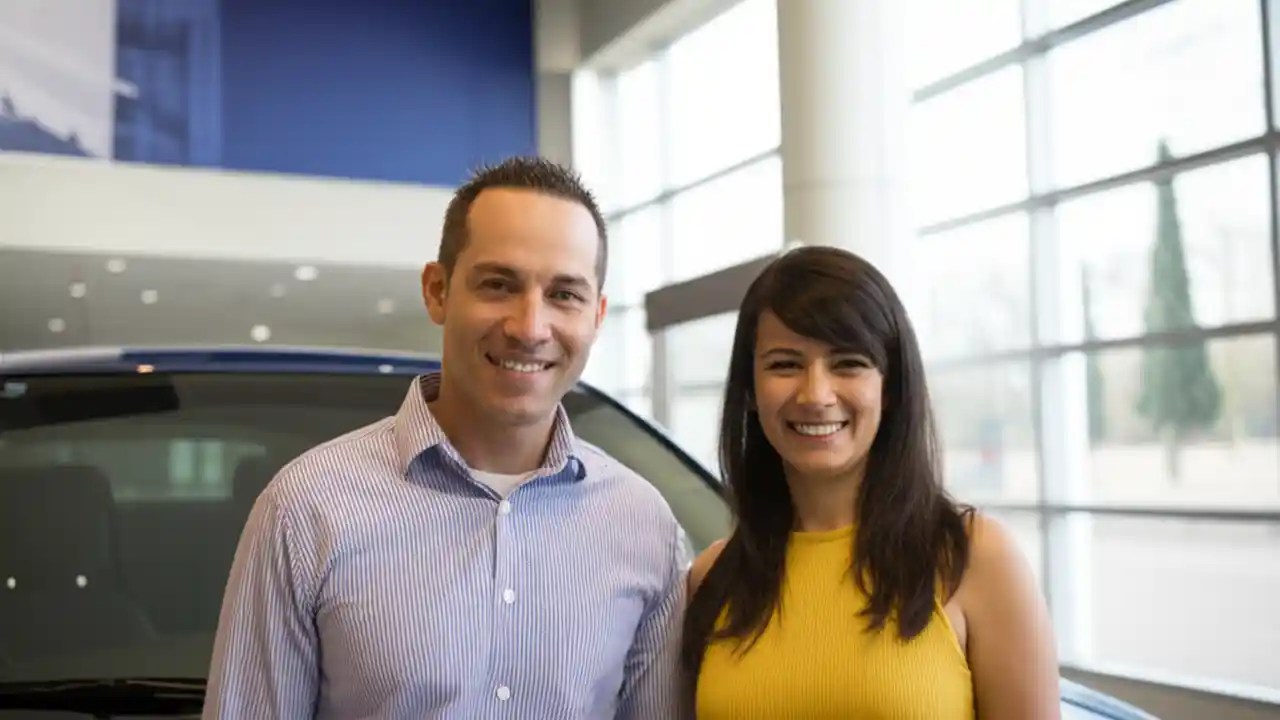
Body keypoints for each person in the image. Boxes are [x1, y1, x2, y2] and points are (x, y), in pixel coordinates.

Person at [203, 156, 688, 719]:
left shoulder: (645, 527)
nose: (530, 328)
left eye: (564, 295)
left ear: (597, 316)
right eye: (499, 284)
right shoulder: (306, 508)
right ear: (437, 290)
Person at [682, 246, 1060, 719]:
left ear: (891, 386)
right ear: (750, 391)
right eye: (785, 364)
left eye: (848, 363)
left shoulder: (974, 557)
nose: (816, 394)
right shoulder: (712, 578)